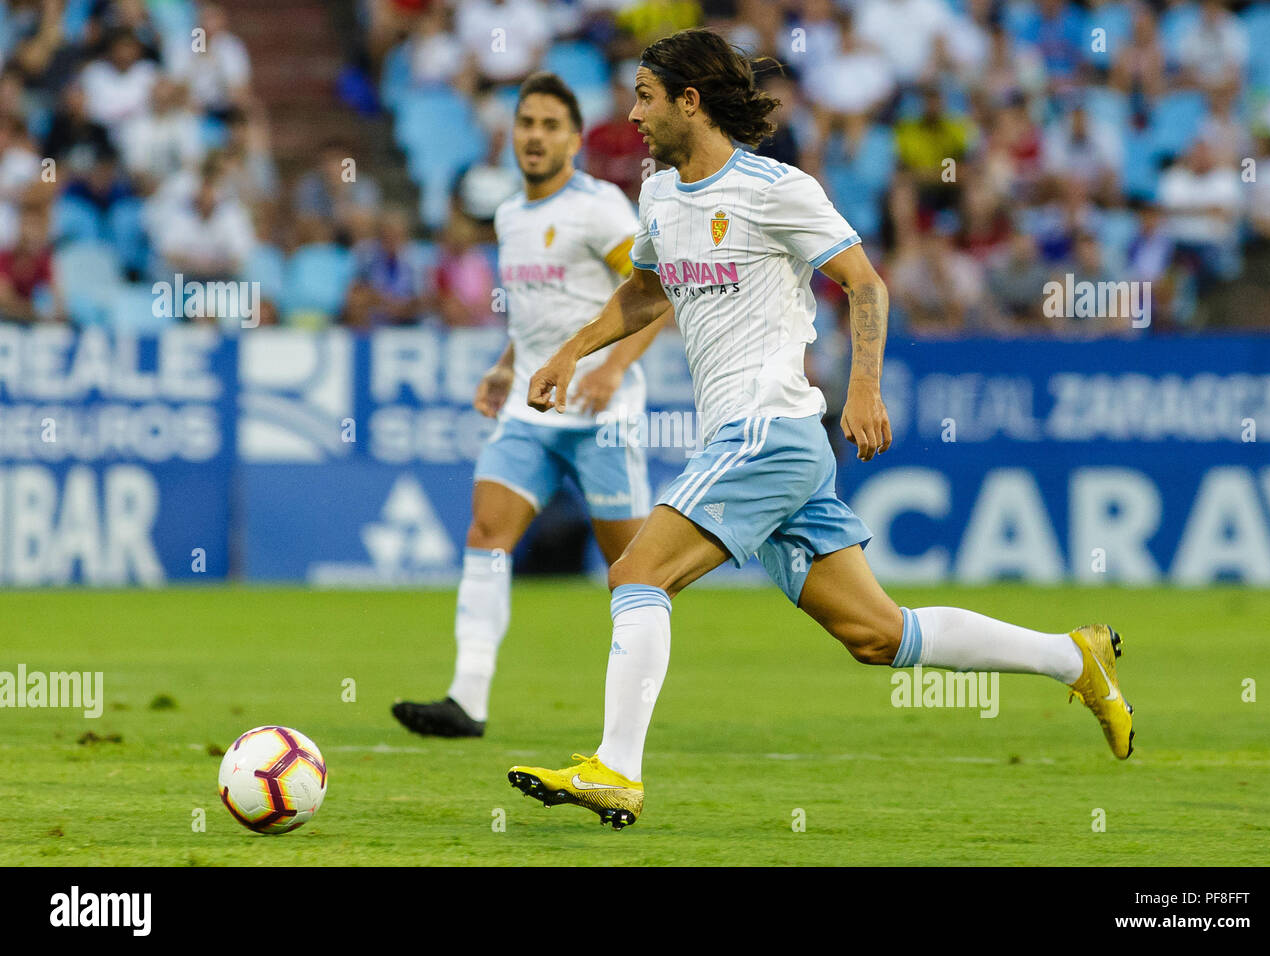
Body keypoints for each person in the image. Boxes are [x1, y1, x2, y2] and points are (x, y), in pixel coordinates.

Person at [508, 29, 1134, 830]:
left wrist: (863, 389)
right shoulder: (660, 195)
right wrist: (571, 351)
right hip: (758, 446)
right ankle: (1073, 657)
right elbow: (646, 291)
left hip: (768, 431)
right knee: (879, 635)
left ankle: (616, 771)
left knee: (637, 573)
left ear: (689, 102)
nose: (631, 115)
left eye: (645, 97)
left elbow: (865, 285)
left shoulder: (776, 190)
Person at [391, 72, 671, 738]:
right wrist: (505, 365)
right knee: (487, 532)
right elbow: (536, 314)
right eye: (526, 123)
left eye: (550, 125)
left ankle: (630, 723)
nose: (535, 136)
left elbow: (656, 294)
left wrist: (612, 369)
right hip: (530, 409)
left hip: (602, 415)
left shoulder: (599, 208)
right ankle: (467, 698)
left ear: (574, 139)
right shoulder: (510, 215)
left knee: (633, 572)